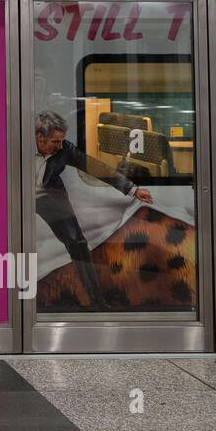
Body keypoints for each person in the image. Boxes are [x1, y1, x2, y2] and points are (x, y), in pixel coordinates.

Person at [34, 110, 153, 308]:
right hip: (16, 194)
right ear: (40, 137)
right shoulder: (16, 145)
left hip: (49, 195)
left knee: (78, 242)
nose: (60, 146)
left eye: (62, 141)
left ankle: (97, 301)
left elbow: (96, 167)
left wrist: (132, 189)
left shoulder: (64, 150)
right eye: (55, 141)